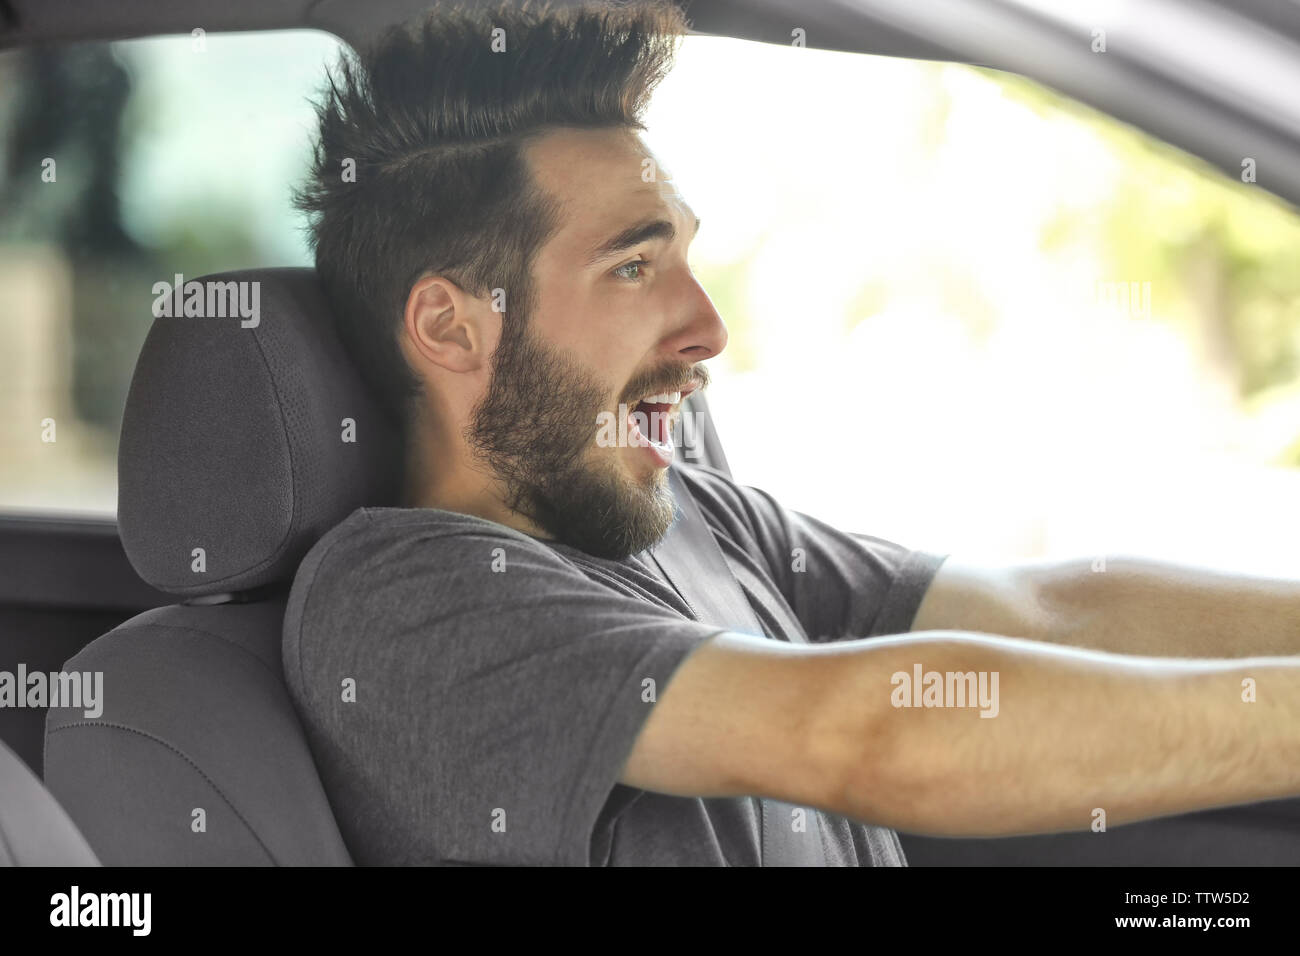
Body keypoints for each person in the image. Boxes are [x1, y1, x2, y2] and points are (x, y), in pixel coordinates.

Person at [284, 0, 1300, 865]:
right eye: (634, 267)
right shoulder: (395, 603)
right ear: (452, 326)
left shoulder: (682, 517)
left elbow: (1044, 608)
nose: (707, 329)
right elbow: (869, 733)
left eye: (682, 258)